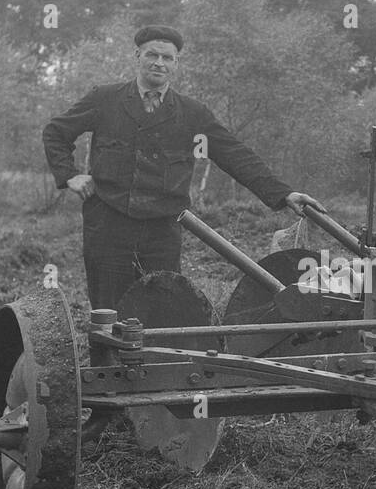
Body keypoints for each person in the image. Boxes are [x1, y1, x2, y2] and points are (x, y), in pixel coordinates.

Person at [43, 24, 325, 311]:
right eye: (152, 55)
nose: (159, 63)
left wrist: (284, 194)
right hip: (108, 222)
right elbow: (56, 132)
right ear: (137, 56)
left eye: (167, 58)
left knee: (162, 307)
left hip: (162, 229)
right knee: (107, 310)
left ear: (176, 64)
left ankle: (155, 358)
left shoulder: (192, 113)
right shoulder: (104, 99)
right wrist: (70, 176)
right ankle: (105, 357)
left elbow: (234, 154)